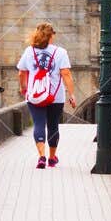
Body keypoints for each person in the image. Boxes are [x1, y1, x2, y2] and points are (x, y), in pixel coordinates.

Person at [17, 22, 75, 168]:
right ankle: (52, 157)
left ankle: (41, 156)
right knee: (53, 126)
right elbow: (66, 74)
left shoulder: (29, 51)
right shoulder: (60, 52)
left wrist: (24, 88)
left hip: (35, 95)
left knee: (39, 124)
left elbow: (21, 72)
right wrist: (72, 94)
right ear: (51, 36)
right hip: (55, 97)